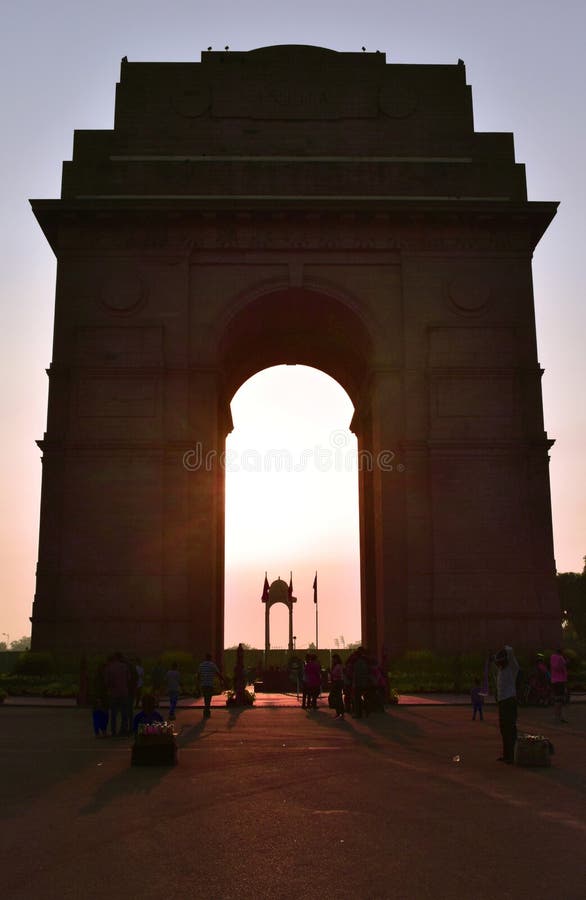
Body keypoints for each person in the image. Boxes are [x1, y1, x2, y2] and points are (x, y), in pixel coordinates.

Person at [493, 645, 519, 763]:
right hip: (502, 702)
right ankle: (507, 754)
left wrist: (503, 648)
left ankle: (512, 755)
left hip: (509, 701)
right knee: (504, 729)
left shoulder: (512, 669)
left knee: (510, 729)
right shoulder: (500, 670)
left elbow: (510, 652)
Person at [104, 651, 130, 737]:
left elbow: (107, 682)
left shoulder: (109, 667)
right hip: (124, 692)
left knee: (113, 714)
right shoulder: (125, 667)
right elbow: (128, 679)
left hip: (113, 693)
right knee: (124, 713)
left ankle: (114, 731)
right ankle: (123, 730)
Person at [198, 652, 223, 718]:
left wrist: (197, 684)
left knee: (205, 698)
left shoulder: (201, 665)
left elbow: (198, 675)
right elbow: (218, 674)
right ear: (210, 658)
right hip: (210, 684)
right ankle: (207, 711)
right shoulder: (212, 665)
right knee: (208, 698)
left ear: (206, 658)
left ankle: (206, 711)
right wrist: (223, 681)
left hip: (203, 684)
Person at [549, 648, 569, 724]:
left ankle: (557, 716)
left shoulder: (552, 657)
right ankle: (559, 717)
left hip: (554, 680)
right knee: (560, 699)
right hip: (561, 680)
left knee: (557, 699)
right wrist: (566, 662)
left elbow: (554, 667)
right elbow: (561, 667)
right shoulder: (561, 658)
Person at [352, 647, 371, 718]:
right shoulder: (365, 662)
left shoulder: (357, 663)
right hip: (364, 683)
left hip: (359, 683)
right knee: (365, 698)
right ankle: (367, 712)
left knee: (357, 699)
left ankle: (358, 714)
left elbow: (356, 675)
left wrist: (354, 684)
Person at [330, 653, 345, 719]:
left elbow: (336, 674)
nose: (333, 660)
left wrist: (331, 673)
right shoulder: (336, 666)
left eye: (334, 659)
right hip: (336, 682)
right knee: (337, 698)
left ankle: (340, 712)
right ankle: (339, 712)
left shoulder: (338, 666)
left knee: (337, 698)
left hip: (338, 682)